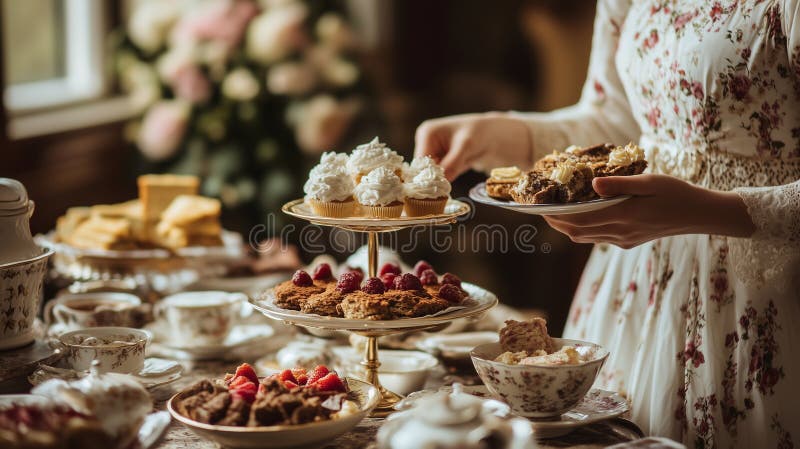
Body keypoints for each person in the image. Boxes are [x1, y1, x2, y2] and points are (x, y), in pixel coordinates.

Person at [414, 1, 800, 447]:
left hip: (763, 290)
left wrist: (710, 211)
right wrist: (498, 133)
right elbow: (613, 120)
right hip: (640, 278)